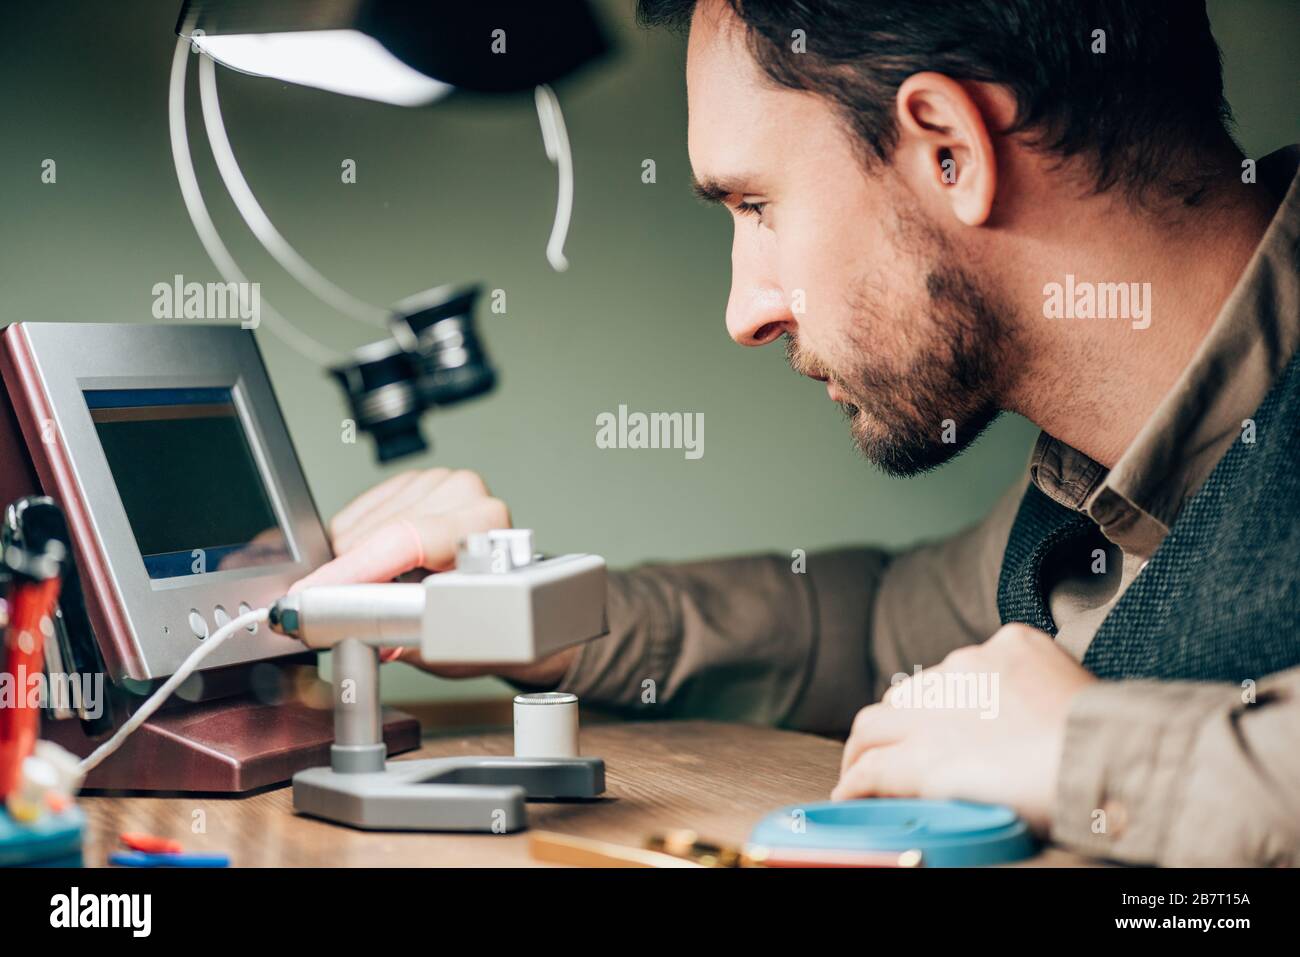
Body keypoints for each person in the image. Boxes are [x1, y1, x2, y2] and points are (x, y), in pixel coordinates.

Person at [293, 0, 1300, 866]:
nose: (746, 313)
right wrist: (536, 616)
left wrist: (1085, 752)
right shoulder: (1094, 479)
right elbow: (872, 625)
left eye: (756, 204)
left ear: (948, 149)